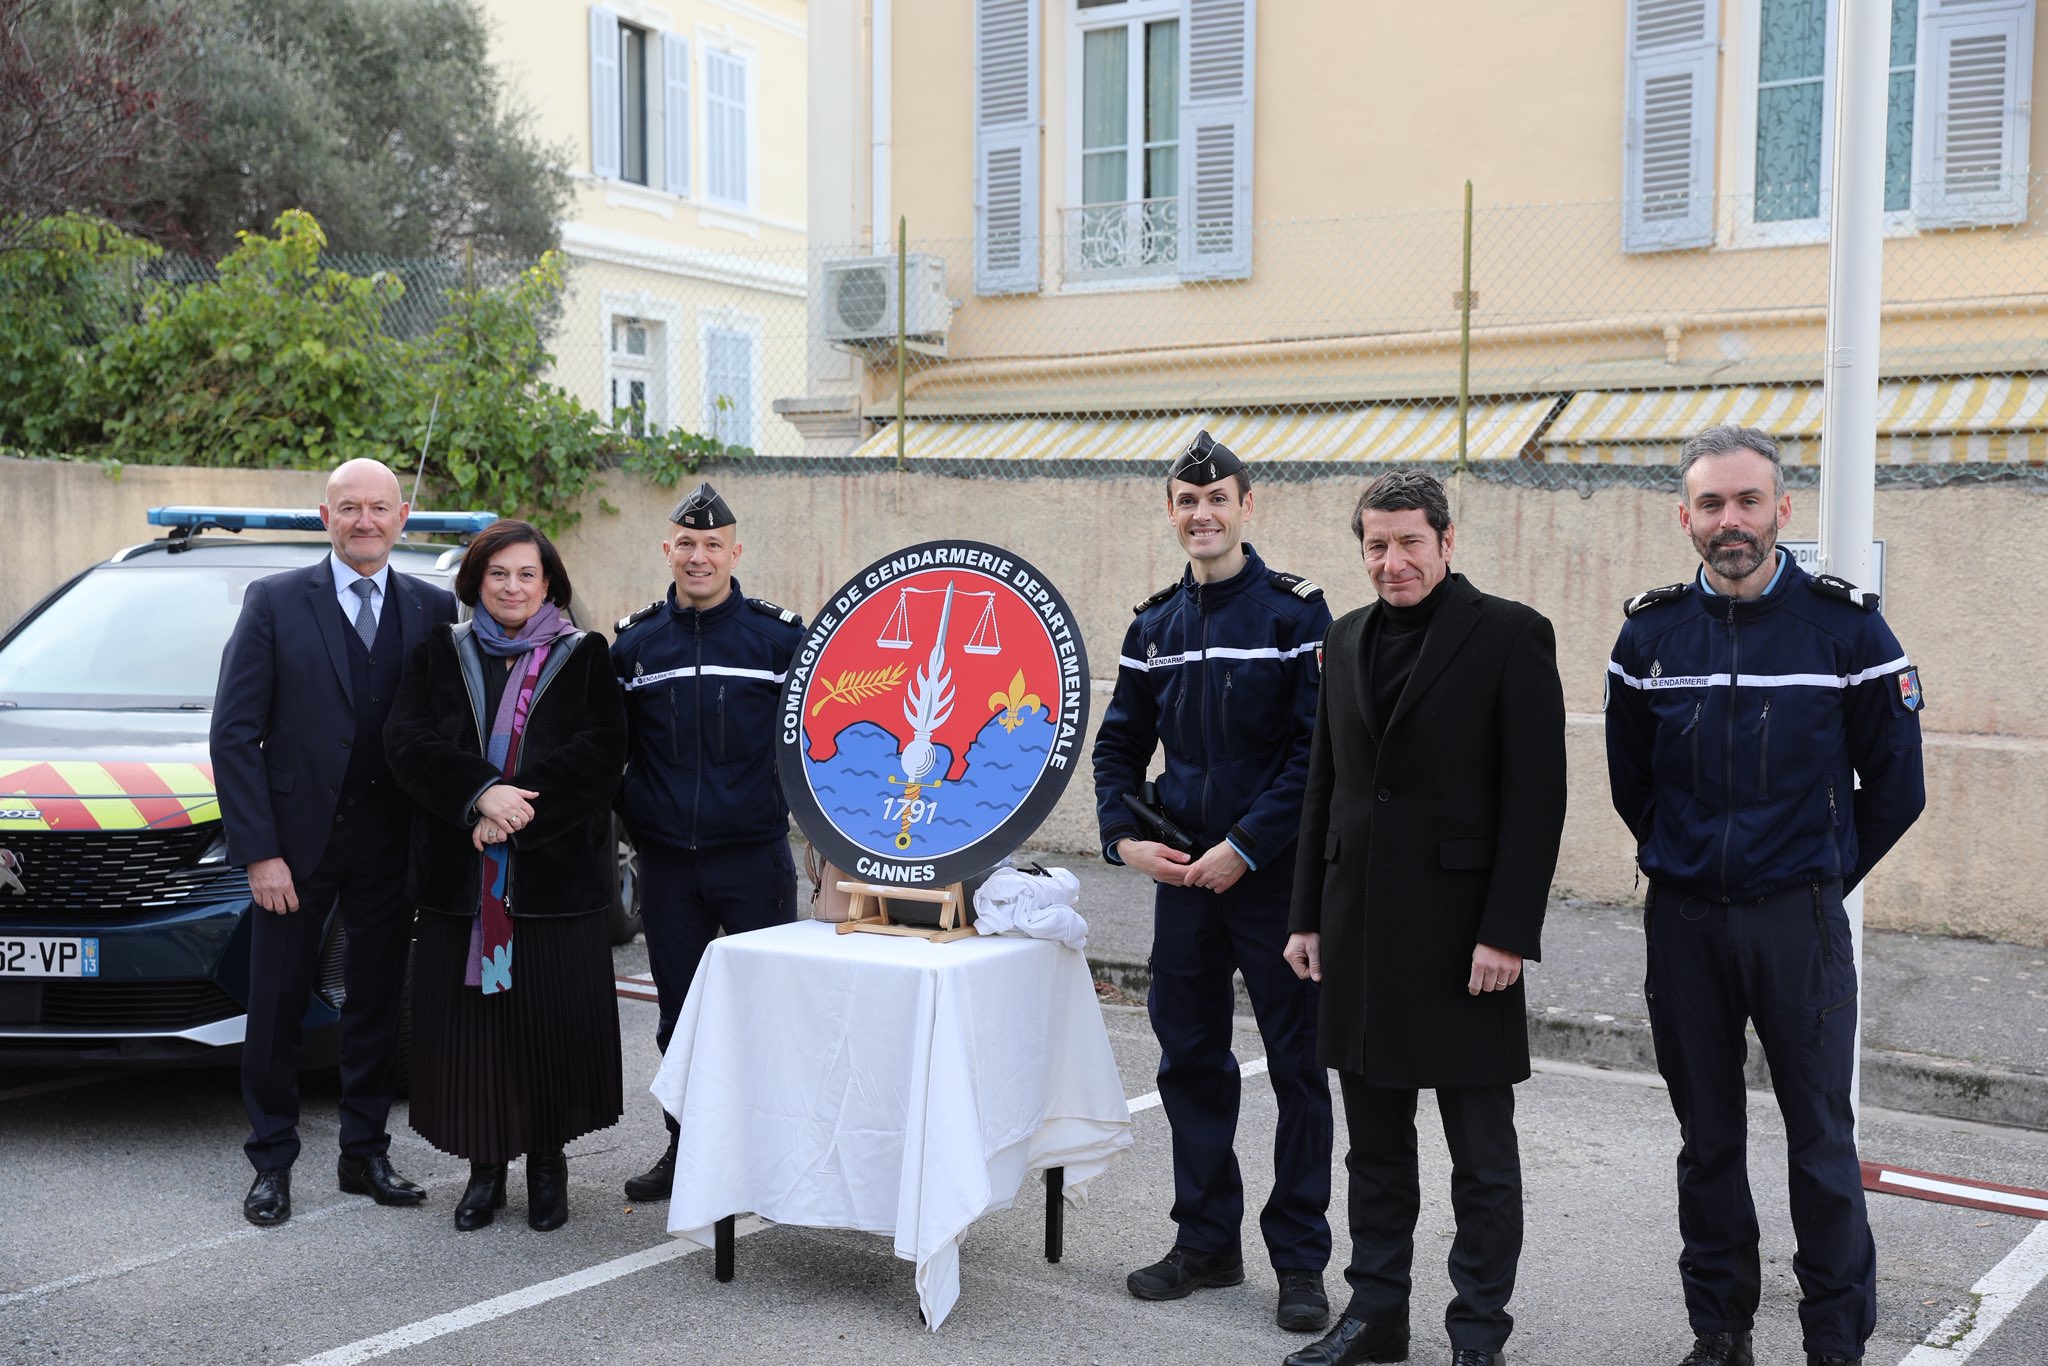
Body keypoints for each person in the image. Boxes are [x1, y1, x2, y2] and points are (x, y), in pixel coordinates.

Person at [1605, 425, 1925, 1366]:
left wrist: (1814, 874)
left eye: (1748, 502)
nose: (1730, 521)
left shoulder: (1847, 630)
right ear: (1685, 517)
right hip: (1686, 924)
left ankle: (1833, 1341)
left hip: (1799, 923)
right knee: (1707, 1140)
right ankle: (1720, 1332)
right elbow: (1634, 784)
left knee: (1820, 1141)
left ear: (1784, 511)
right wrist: (1697, 862)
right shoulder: (1649, 633)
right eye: (1711, 504)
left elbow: (1896, 788)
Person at [1282, 469, 1565, 1366]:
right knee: (1374, 1151)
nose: (1392, 560)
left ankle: (1478, 1332)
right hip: (1358, 934)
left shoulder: (1512, 635)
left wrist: (1508, 932)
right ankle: (1376, 1317)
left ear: (1448, 540)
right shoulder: (1344, 636)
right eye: (1376, 544)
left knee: (1480, 1158)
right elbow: (1325, 787)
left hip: (1464, 941)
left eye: (1409, 542)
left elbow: (1537, 798)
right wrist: (1305, 917)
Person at [1091, 431, 1335, 1335]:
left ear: (1246, 505)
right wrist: (1124, 840)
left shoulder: (1294, 615)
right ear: (1171, 511)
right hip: (1182, 877)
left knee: (1301, 1072)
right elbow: (1118, 744)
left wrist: (1246, 844)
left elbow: (1318, 753)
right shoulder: (1153, 624)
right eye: (1186, 502)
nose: (1202, 514)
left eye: (1217, 499)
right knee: (1191, 1063)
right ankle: (1206, 1242)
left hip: (1271, 882)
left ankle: (1301, 1263)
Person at [210, 457, 456, 1226]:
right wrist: (259, 852)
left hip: (392, 848)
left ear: (401, 517)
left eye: (378, 508)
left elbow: (448, 734)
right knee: (277, 1006)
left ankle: (364, 1153)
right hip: (293, 850)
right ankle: (272, 1162)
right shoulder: (277, 602)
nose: (363, 520)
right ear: (326, 518)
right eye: (348, 507)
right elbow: (234, 735)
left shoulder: (433, 608)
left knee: (377, 1004)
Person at [383, 519, 628, 1231]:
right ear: (476, 582)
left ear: (549, 583)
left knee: (547, 1031)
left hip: (554, 889)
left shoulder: (585, 656)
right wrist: (478, 796)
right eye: (499, 574)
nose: (513, 587)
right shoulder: (441, 650)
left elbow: (601, 753)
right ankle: (483, 1169)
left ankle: (548, 1165)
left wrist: (515, 813)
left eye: (527, 574)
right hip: (461, 889)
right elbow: (408, 741)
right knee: (474, 1038)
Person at [611, 481, 804, 1202]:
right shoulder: (635, 645)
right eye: (686, 544)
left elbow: (813, 747)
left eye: (712, 545)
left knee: (767, 1013)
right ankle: (686, 1148)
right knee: (678, 1016)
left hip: (754, 858)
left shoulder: (778, 639)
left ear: (735, 553)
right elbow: (613, 752)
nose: (698, 556)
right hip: (667, 866)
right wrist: (635, 814)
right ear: (668, 551)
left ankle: (767, 1153)